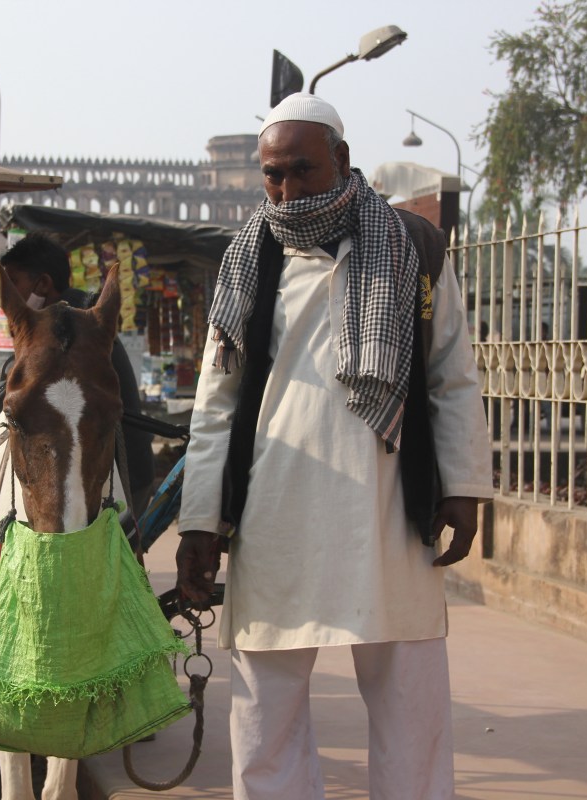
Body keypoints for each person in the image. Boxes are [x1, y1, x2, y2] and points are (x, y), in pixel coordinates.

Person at [174, 94, 493, 799]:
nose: (286, 190)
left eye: (300, 170)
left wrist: (465, 485)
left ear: (342, 161)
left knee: (411, 710)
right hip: (275, 514)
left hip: (387, 509)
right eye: (272, 176)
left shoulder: (412, 245)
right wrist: (201, 521)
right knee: (266, 720)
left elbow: (452, 376)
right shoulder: (247, 260)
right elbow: (215, 403)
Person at [0, 232, 156, 521]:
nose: (8, 300)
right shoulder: (83, 317)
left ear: (43, 283)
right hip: (131, 470)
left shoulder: (70, 331)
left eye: (14, 283)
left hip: (121, 478)